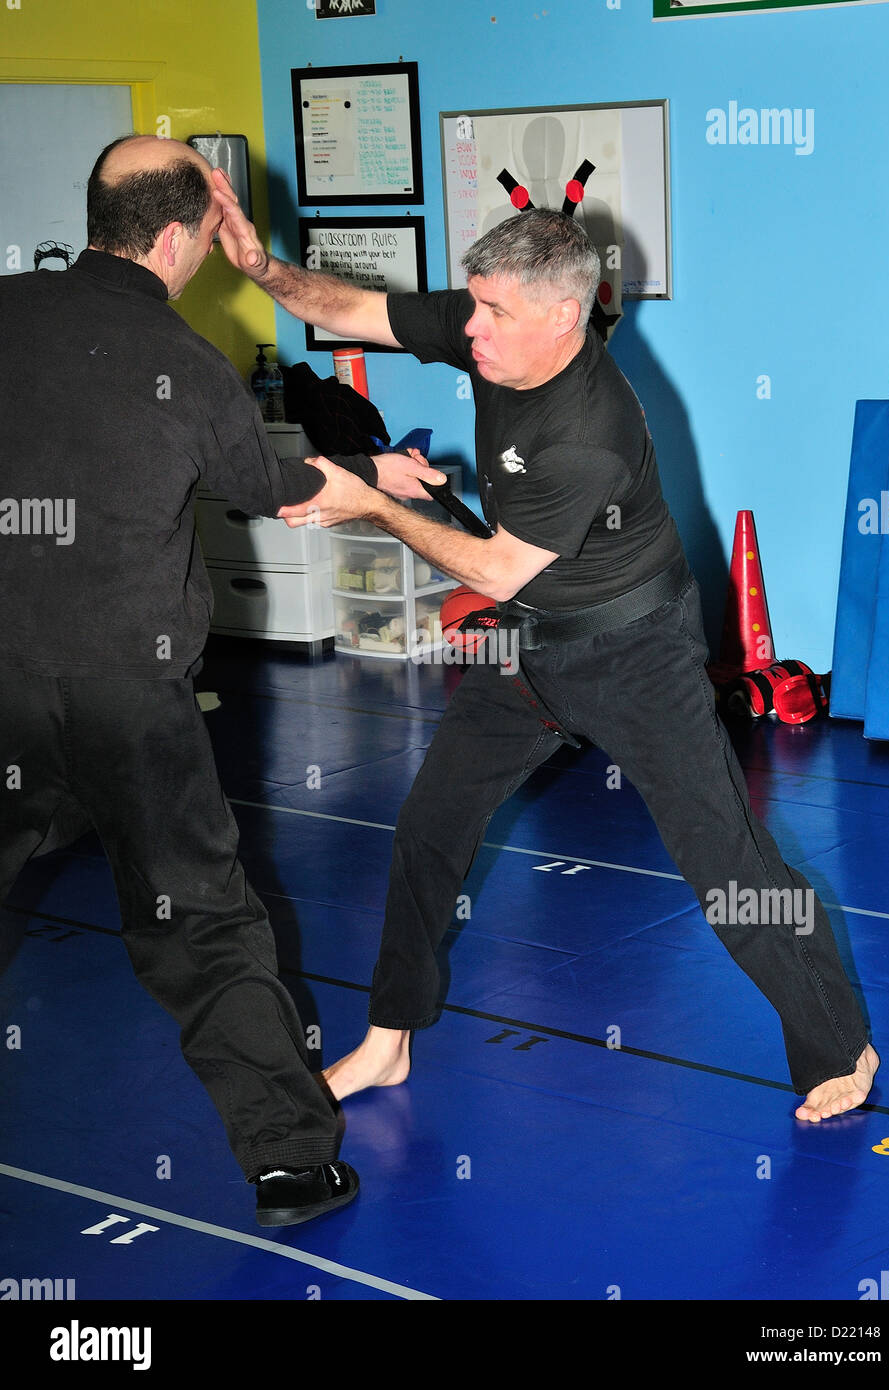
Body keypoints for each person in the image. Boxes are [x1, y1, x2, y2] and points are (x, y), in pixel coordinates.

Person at [214, 174, 879, 1124]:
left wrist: (370, 499)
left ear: (565, 317)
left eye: (490, 313)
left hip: (632, 652)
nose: (469, 329)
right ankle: (388, 1042)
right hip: (528, 653)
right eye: (470, 306)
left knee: (726, 867)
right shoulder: (493, 327)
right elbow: (356, 308)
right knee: (428, 829)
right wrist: (263, 268)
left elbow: (494, 568)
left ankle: (833, 1041)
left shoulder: (590, 430)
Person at [0, 134, 440, 1227]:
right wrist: (373, 474)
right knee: (201, 925)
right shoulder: (182, 363)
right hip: (125, 698)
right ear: (185, 233)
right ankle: (291, 1162)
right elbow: (276, 490)